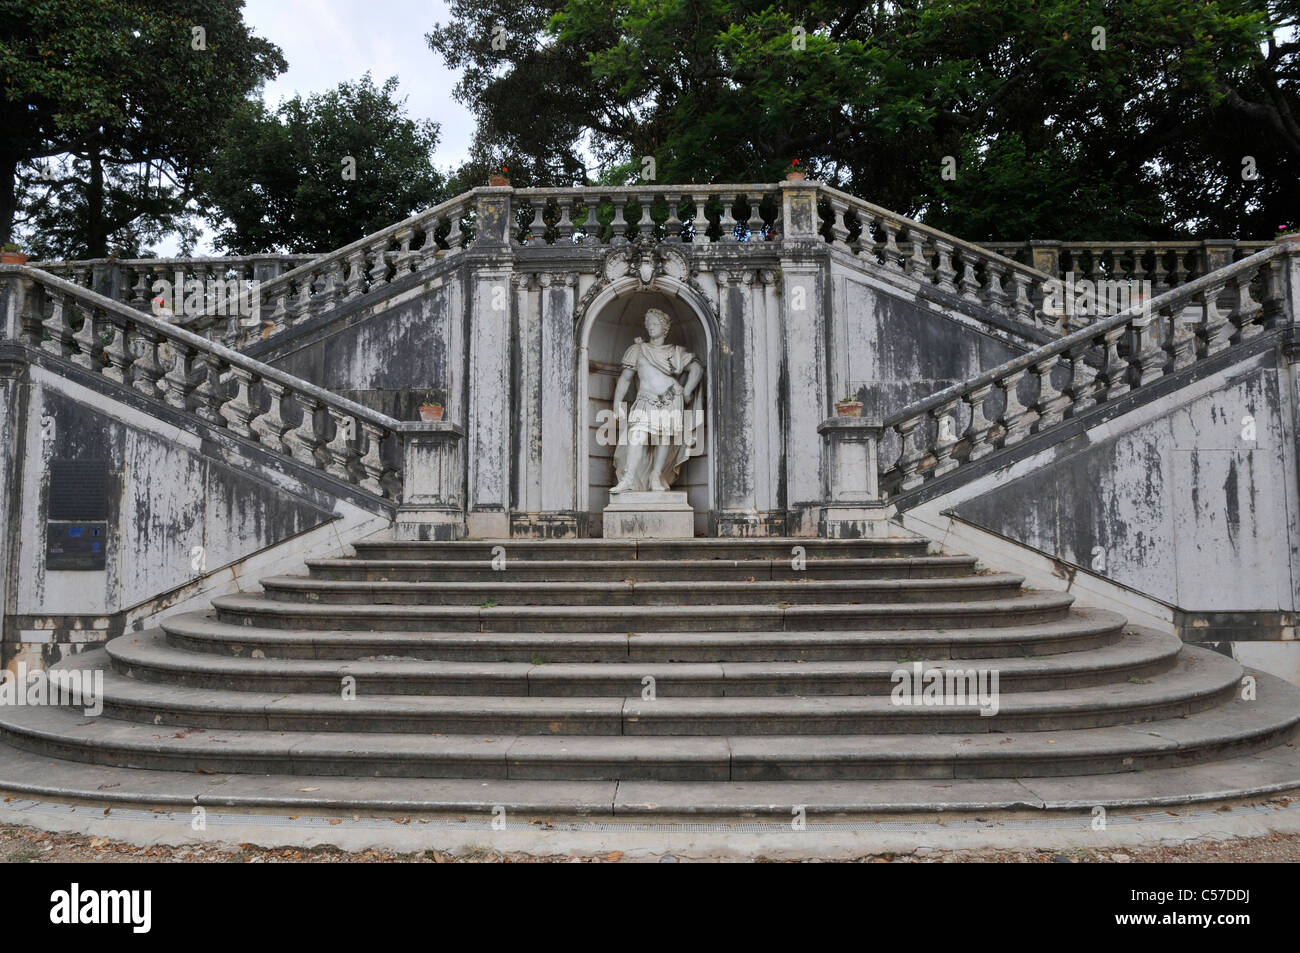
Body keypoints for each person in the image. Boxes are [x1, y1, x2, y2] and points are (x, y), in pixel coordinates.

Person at [610, 308, 703, 493]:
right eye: (648, 323)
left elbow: (697, 369)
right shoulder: (637, 349)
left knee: (663, 439)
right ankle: (628, 479)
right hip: (645, 399)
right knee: (636, 435)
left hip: (671, 397)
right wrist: (616, 404)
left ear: (665, 327)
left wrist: (686, 391)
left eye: (655, 323)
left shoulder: (675, 352)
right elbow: (625, 379)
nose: (650, 327)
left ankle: (656, 477)